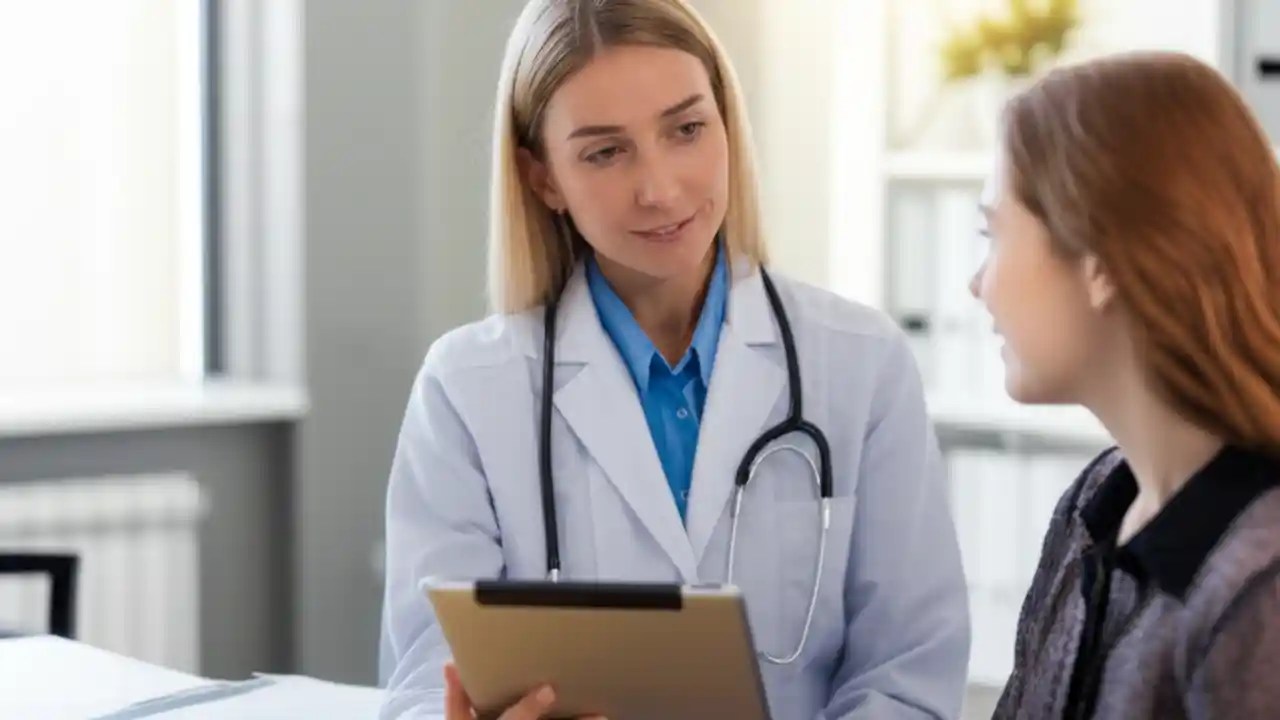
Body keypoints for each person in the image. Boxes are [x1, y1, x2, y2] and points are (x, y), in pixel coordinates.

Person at [380, 1, 970, 718]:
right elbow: (424, 684)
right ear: (544, 180)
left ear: (726, 125)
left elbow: (907, 677)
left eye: (686, 129)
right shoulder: (466, 390)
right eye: (605, 152)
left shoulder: (862, 364)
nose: (660, 188)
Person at [971, 51, 1280, 718]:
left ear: (1102, 262)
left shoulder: (1260, 590)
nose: (978, 284)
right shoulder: (1093, 506)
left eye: (992, 234)